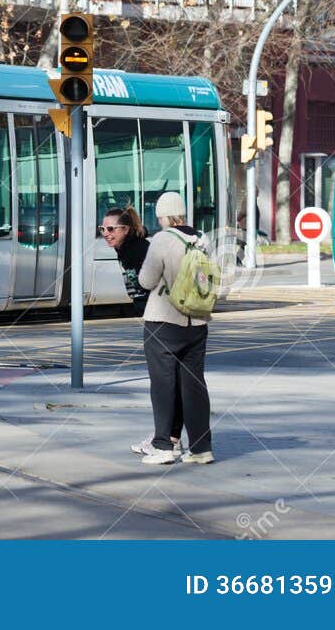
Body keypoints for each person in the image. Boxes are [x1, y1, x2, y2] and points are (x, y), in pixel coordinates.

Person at [136, 191, 214, 465]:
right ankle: (201, 448)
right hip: (197, 321)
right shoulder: (202, 239)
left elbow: (146, 280)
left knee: (163, 384)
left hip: (164, 321)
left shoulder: (162, 239)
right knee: (194, 384)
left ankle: (164, 446)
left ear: (162, 215)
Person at [103, 206, 180, 456]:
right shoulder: (127, 248)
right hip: (159, 317)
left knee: (164, 381)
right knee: (171, 381)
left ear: (126, 229)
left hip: (162, 319)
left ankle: (164, 440)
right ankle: (172, 438)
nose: (106, 233)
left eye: (111, 228)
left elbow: (151, 283)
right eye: (102, 229)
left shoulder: (137, 250)